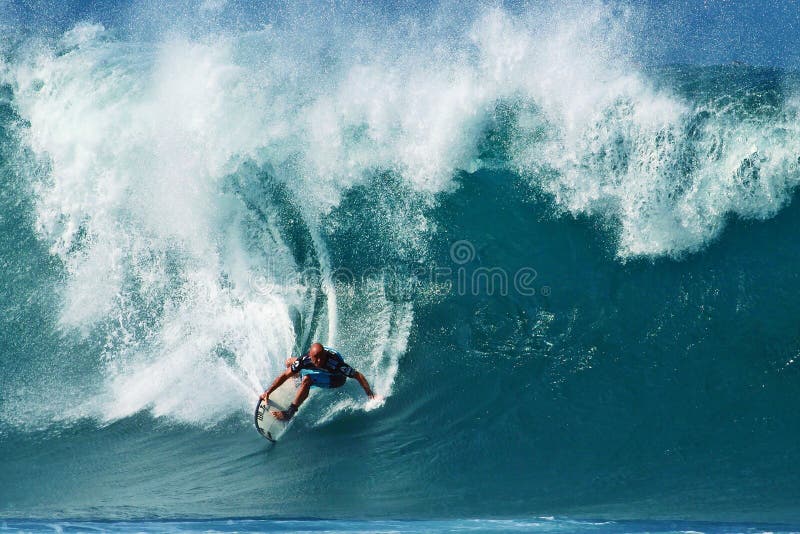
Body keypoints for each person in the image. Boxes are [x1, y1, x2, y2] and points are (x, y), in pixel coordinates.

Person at [260, 342, 376, 420]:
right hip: (321, 370)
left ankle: (289, 413)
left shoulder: (335, 365)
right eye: (316, 358)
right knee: (289, 362)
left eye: (321, 357)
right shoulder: (305, 360)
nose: (319, 361)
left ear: (324, 354)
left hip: (336, 379)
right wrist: (268, 392)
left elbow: (357, 375)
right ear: (310, 356)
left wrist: (369, 392)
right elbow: (285, 375)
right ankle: (297, 383)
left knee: (307, 380)